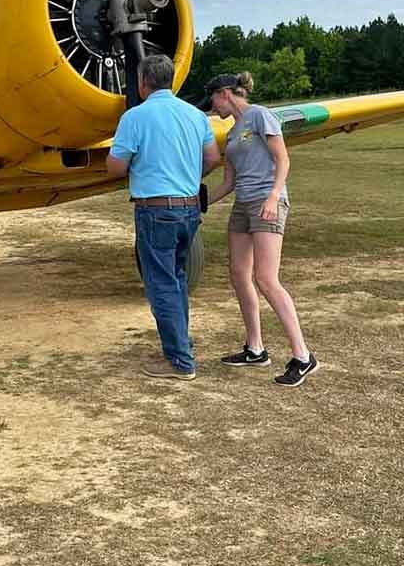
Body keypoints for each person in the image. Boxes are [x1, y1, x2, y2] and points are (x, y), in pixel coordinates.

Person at [106, 54, 221, 380]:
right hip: (189, 208)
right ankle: (180, 344)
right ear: (171, 80)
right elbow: (212, 158)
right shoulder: (196, 115)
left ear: (143, 83)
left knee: (161, 285)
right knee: (177, 280)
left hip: (155, 211)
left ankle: (180, 362)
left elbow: (116, 167)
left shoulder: (135, 117)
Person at [204, 72, 319, 387]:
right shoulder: (230, 134)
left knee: (267, 280)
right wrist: (201, 203)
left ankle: (303, 357)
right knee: (239, 274)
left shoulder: (259, 116)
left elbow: (283, 159)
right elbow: (228, 182)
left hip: (267, 200)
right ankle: (255, 348)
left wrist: (272, 196)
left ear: (226, 93)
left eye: (213, 99)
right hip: (243, 204)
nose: (212, 107)